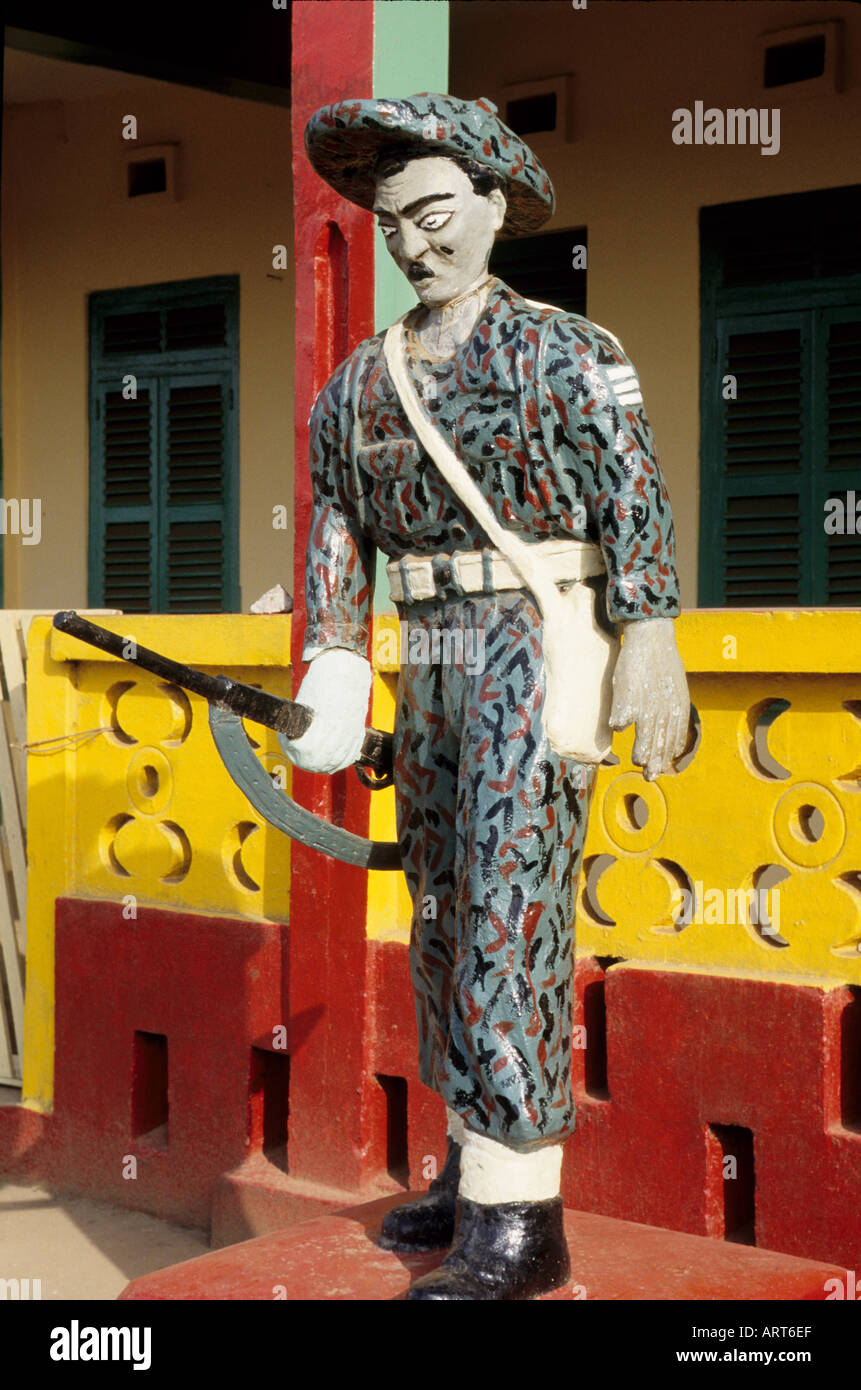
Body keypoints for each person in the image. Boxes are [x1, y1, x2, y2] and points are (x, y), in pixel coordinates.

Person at [283, 94, 690, 1300]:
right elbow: (336, 543)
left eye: (435, 212)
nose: (415, 242)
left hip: (533, 648)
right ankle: (475, 1168)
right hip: (434, 662)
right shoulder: (358, 389)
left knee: (515, 908)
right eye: (394, 222)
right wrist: (340, 666)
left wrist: (653, 643)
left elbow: (634, 504)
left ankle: (526, 1221)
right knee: (446, 917)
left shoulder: (572, 351)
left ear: (495, 205)